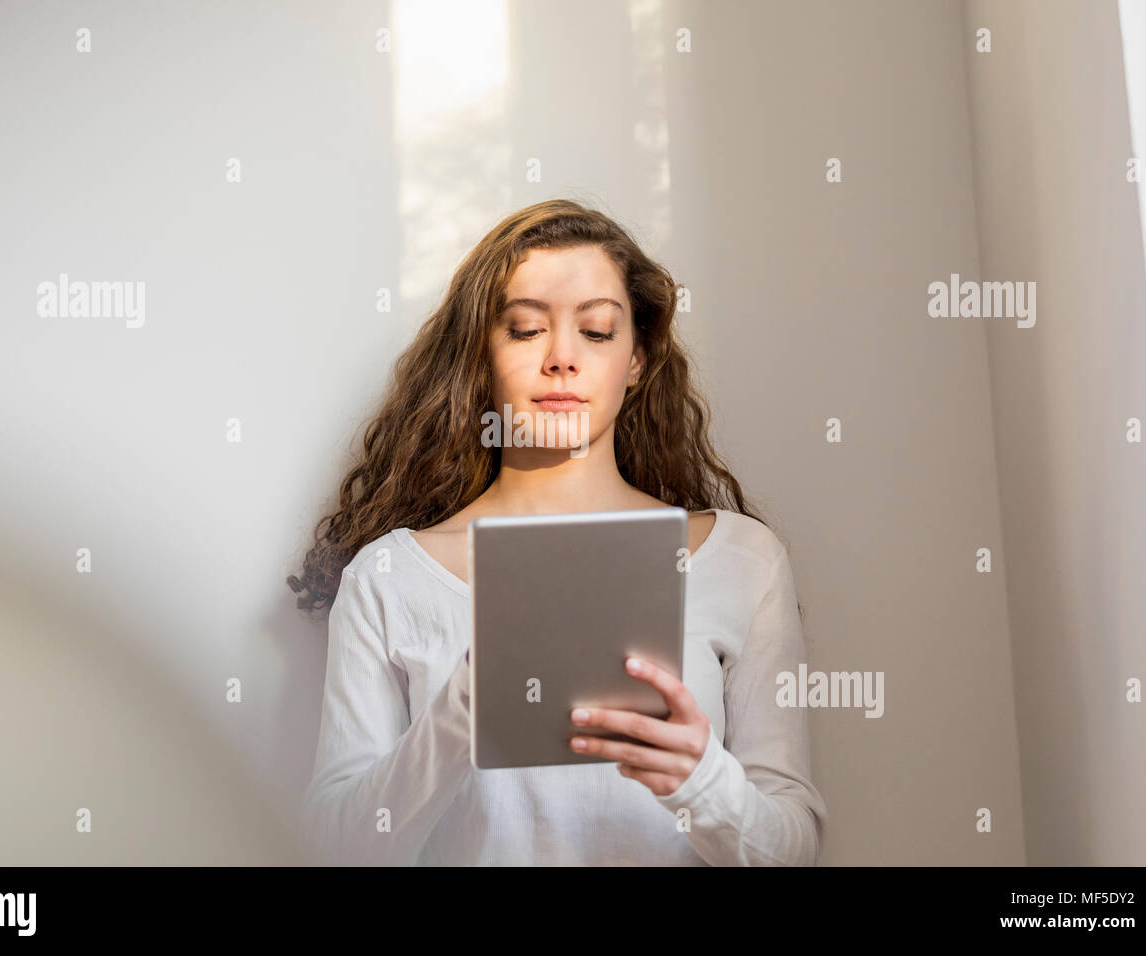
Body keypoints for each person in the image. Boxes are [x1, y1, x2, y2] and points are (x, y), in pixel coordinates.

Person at [287, 199, 827, 865]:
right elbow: (335, 851)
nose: (563, 359)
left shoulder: (741, 559)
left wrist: (700, 780)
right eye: (524, 330)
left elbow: (792, 850)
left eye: (597, 332)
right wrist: (460, 714)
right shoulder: (391, 576)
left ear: (637, 359)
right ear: (478, 357)